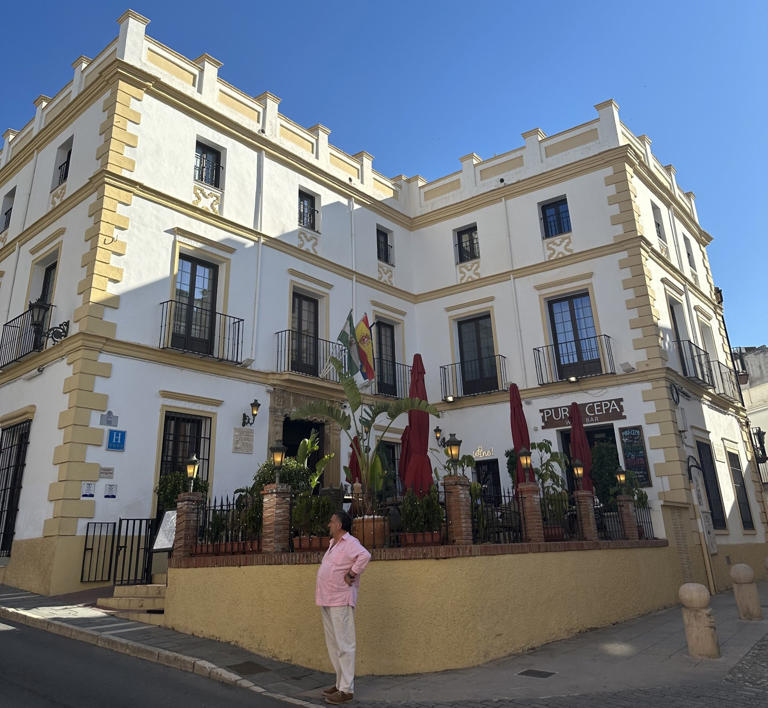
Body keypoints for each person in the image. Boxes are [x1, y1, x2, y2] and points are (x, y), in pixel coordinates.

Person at [316, 510, 371, 704]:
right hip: (327, 599)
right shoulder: (333, 544)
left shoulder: (350, 543)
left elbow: (365, 556)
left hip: (340, 599)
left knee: (345, 644)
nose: (329, 525)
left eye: (331, 522)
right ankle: (340, 684)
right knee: (334, 645)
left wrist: (352, 574)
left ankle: (346, 689)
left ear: (339, 525)